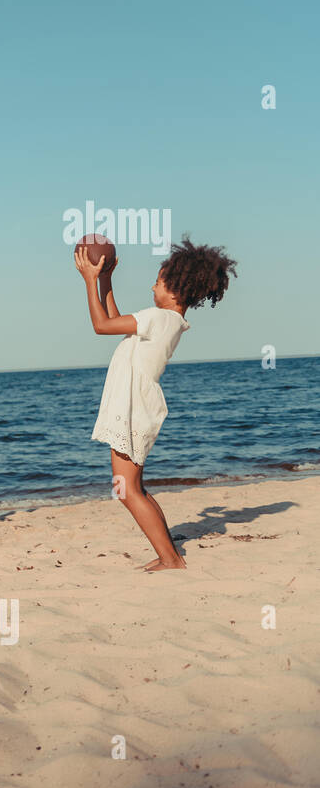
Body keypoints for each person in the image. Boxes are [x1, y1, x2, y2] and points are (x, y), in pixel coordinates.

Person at [75, 235, 237, 572]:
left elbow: (100, 324)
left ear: (175, 289)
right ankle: (169, 554)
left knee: (126, 490)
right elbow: (115, 319)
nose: (153, 286)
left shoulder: (158, 319)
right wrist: (106, 279)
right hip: (136, 407)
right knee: (134, 487)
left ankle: (171, 559)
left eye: (159, 281)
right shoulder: (164, 321)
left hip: (133, 408)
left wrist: (90, 280)